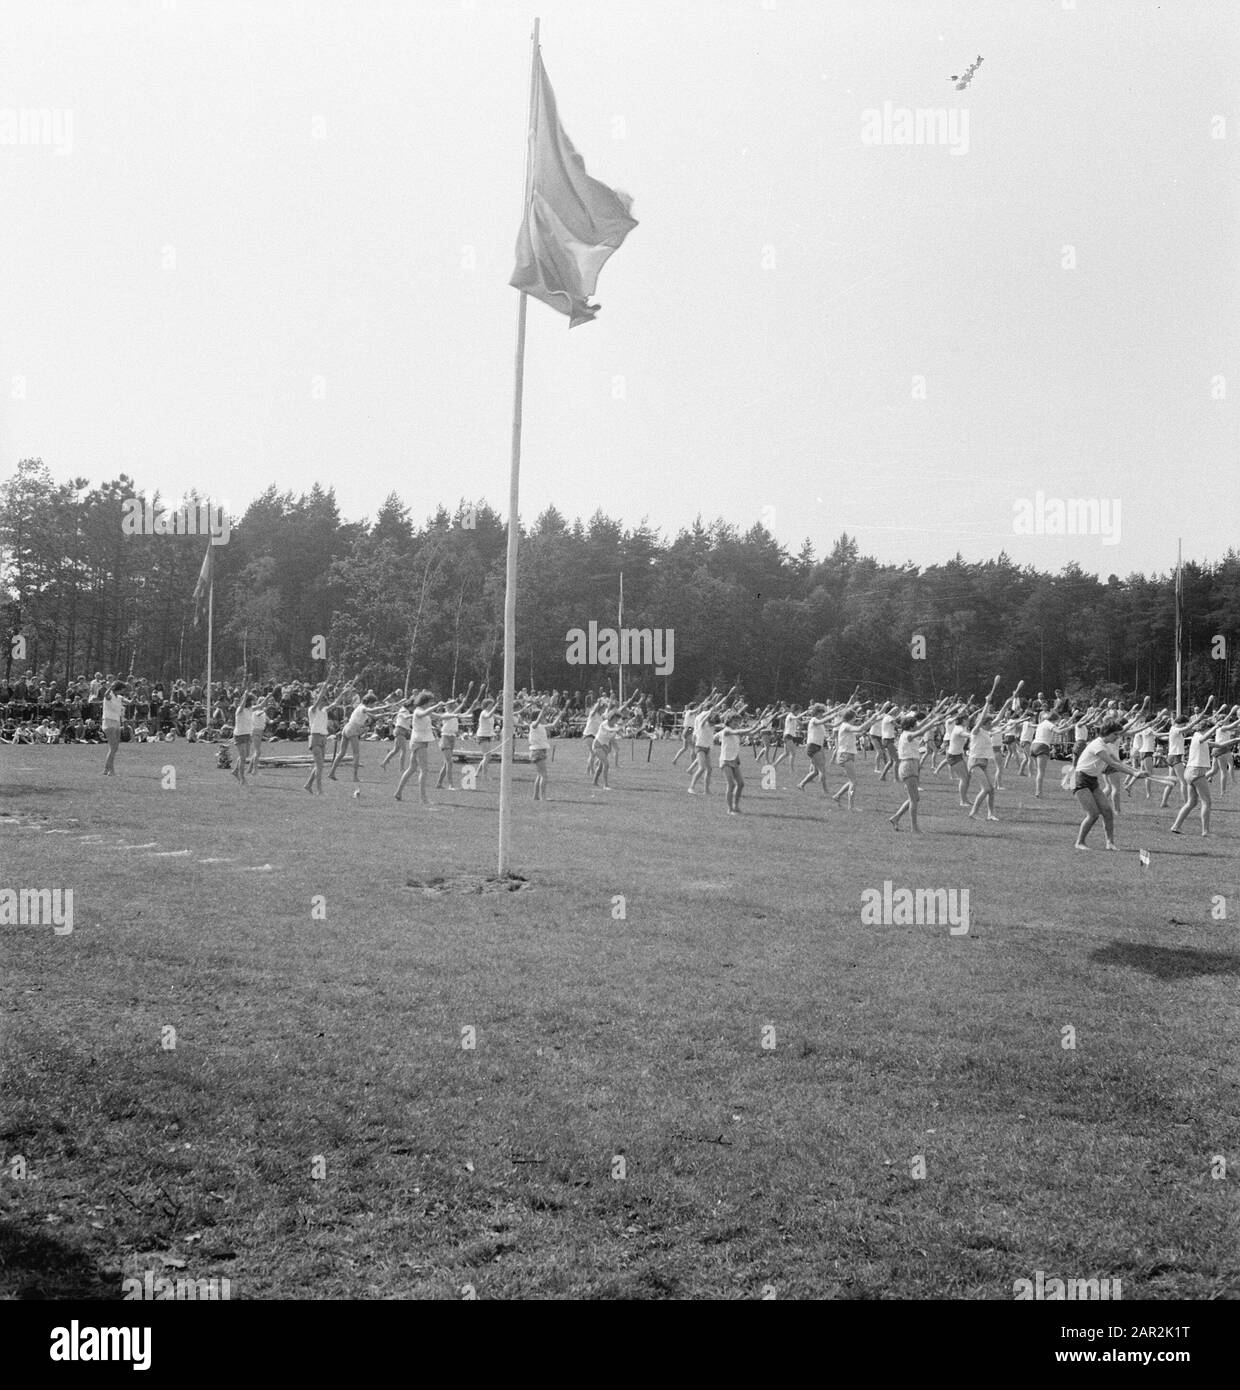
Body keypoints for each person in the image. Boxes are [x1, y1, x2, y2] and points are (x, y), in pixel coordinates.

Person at [1073, 718, 1148, 850]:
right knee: (1093, 814)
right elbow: (1112, 764)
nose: (1117, 737)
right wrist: (1134, 774)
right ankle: (1079, 843)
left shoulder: (1106, 746)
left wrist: (1137, 771)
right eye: (1115, 734)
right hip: (1081, 780)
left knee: (1107, 811)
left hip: (1092, 780)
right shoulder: (1098, 745)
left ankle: (1110, 843)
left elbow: (1118, 762)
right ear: (1107, 733)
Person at [101, 680, 127, 775]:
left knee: (115, 748)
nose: (123, 691)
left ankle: (106, 769)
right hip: (108, 722)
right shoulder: (109, 695)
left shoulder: (119, 697)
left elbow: (129, 702)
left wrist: (135, 700)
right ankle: (111, 771)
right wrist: (110, 687)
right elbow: (105, 695)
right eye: (122, 689)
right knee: (113, 747)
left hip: (117, 722)